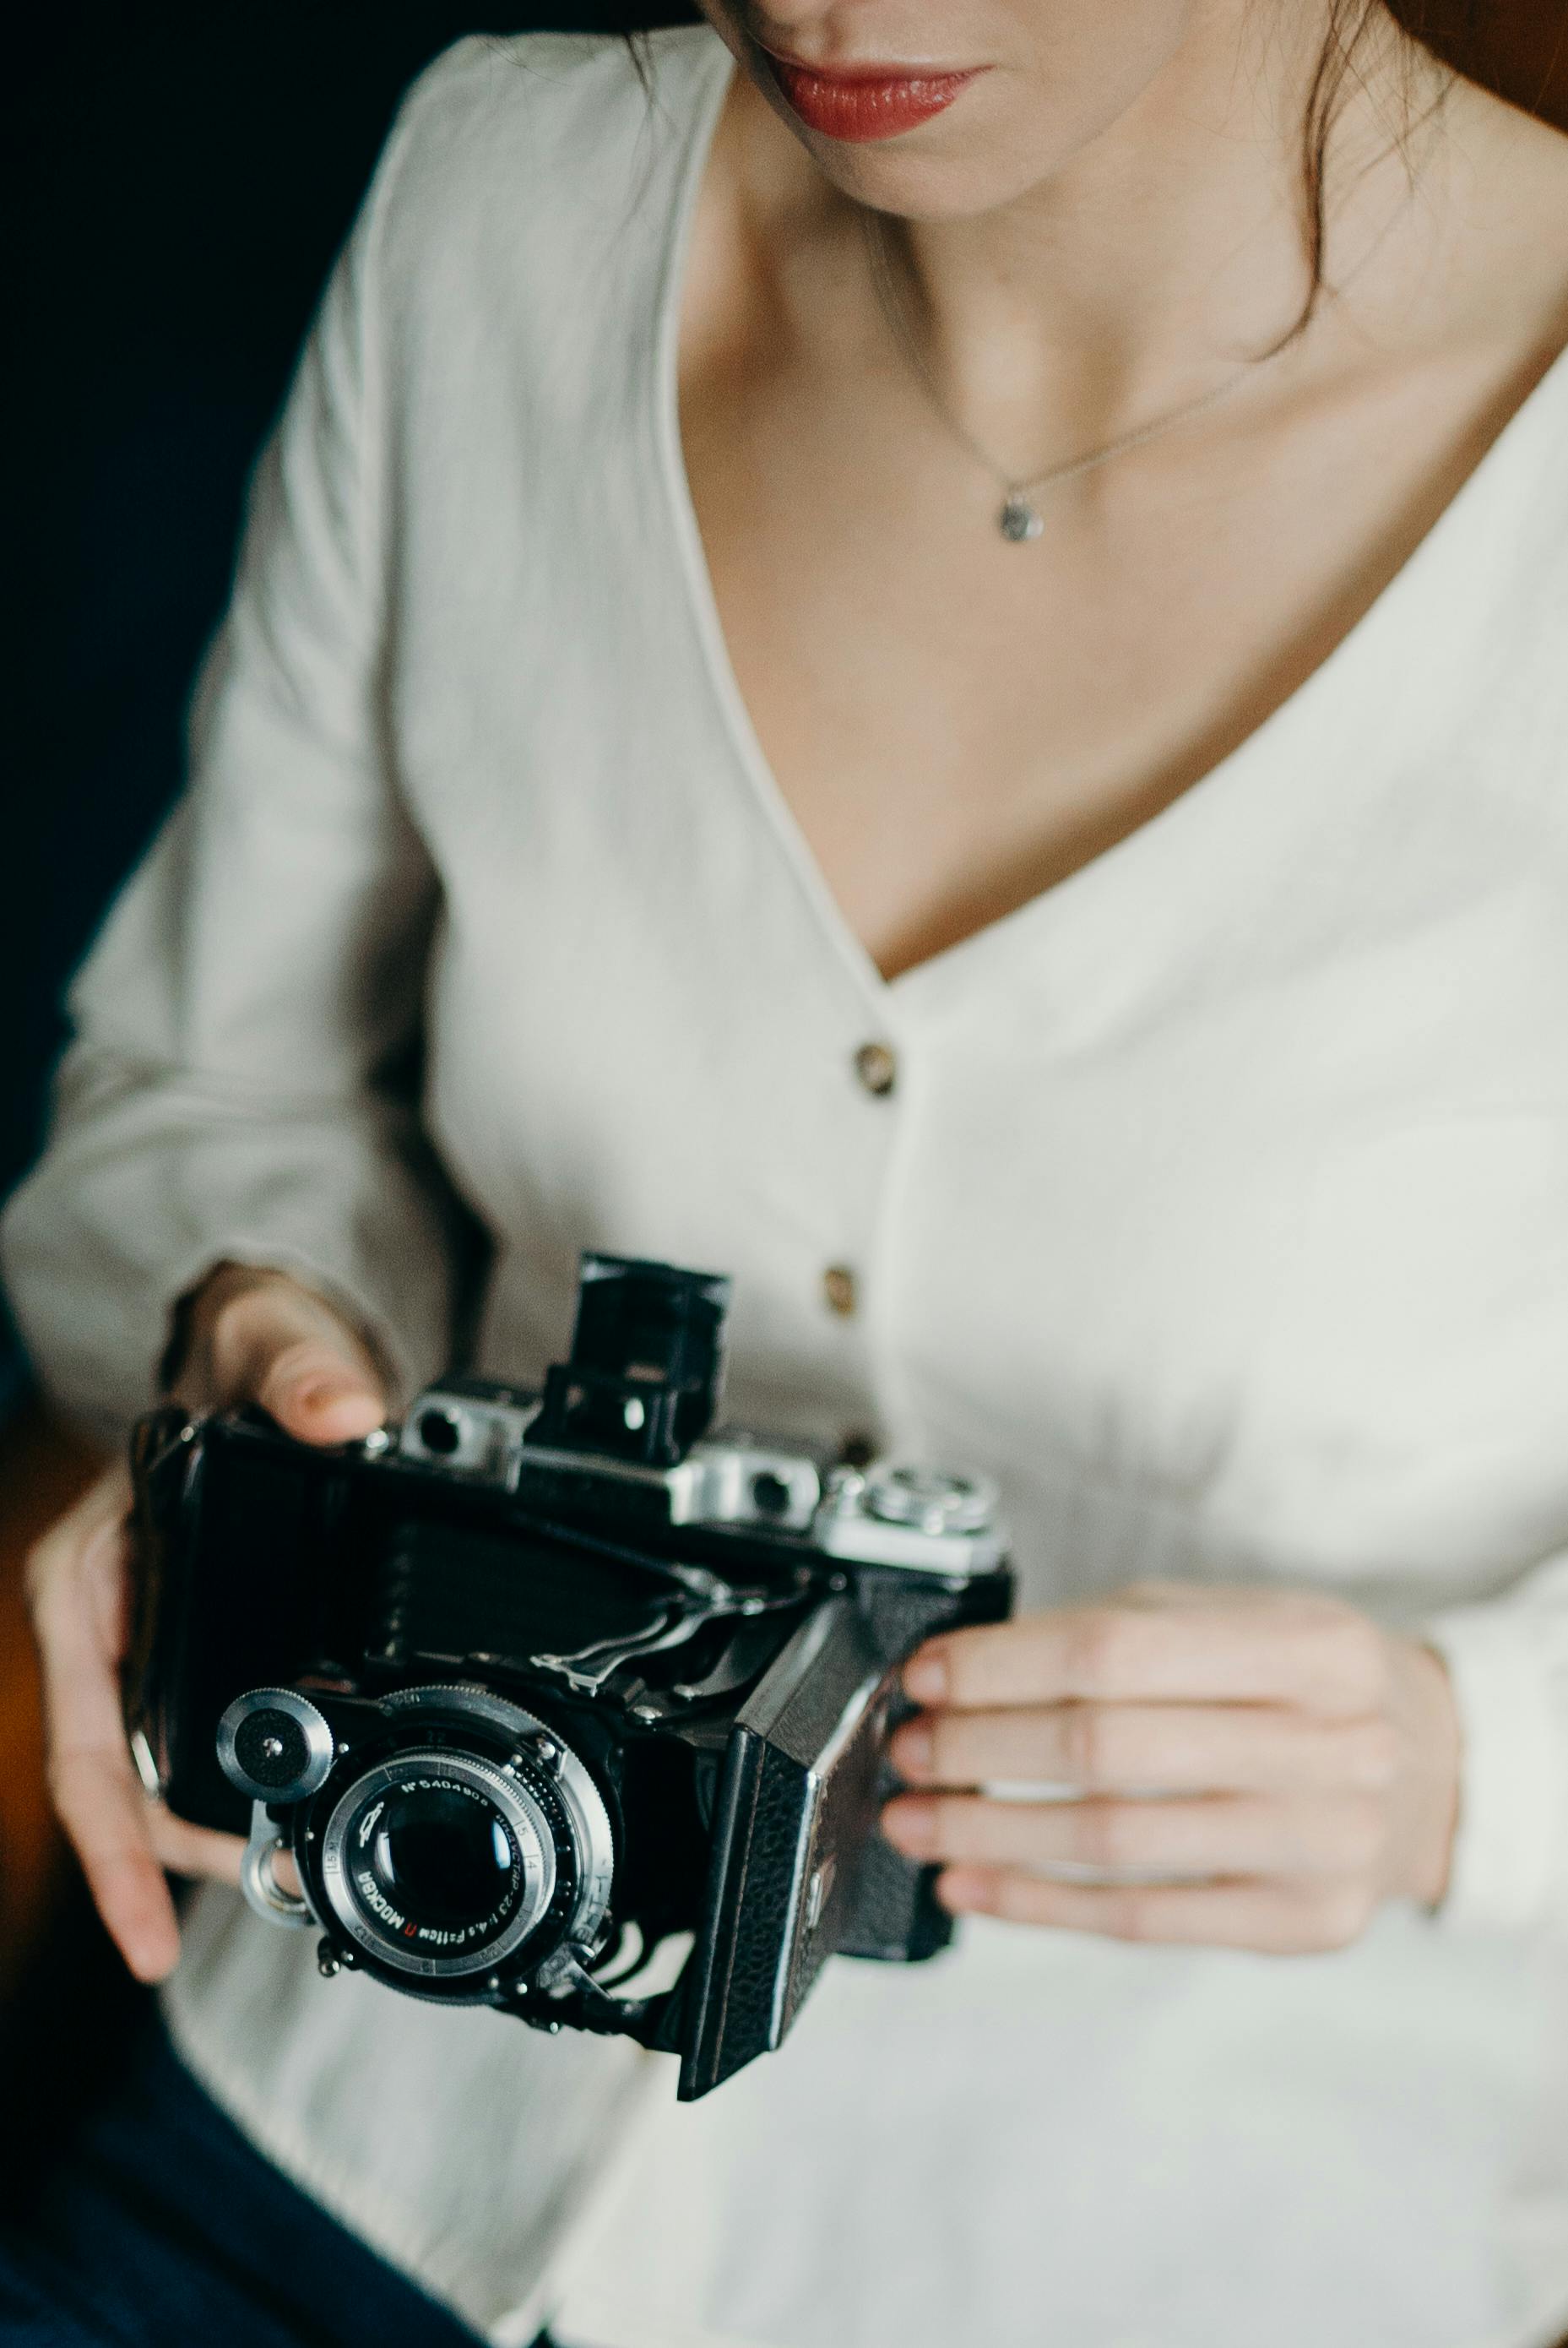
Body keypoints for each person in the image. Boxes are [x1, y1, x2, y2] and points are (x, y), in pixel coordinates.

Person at [6, 0, 1568, 2341]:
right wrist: (243, 1347)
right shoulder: (504, 211)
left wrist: (1476, 1761)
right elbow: (191, 1089)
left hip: (1177, 2244)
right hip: (347, 2107)